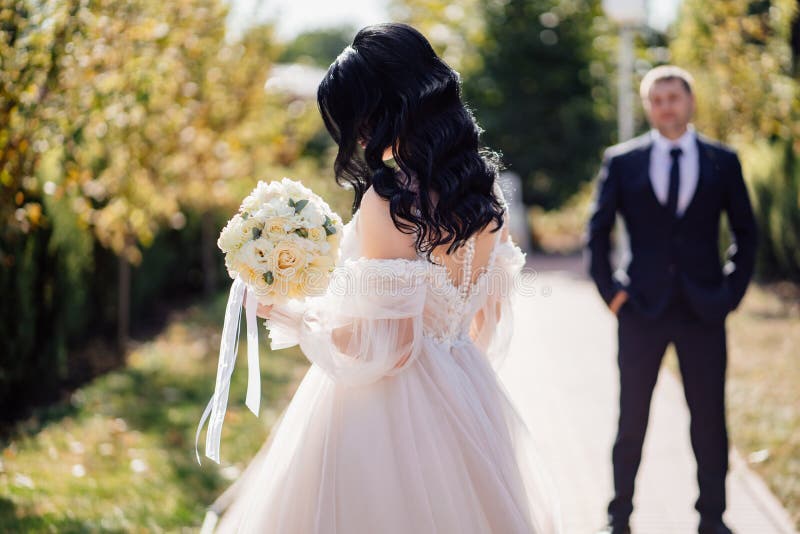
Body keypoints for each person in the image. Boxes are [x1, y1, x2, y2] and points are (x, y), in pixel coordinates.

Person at [199, 22, 562, 533]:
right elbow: (487, 315)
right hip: (466, 389)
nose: (358, 135)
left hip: (386, 412)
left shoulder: (390, 202)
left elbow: (391, 343)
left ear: (386, 108)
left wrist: (295, 316)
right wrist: (458, 388)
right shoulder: (486, 192)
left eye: (357, 117)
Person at [586, 65, 758, 534]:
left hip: (704, 310)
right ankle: (618, 516)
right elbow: (597, 232)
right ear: (648, 107)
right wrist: (611, 294)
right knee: (631, 419)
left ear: (690, 101)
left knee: (709, 421)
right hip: (640, 309)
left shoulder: (723, 160)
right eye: (656, 99)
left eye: (673, 97)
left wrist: (730, 294)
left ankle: (713, 518)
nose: (666, 106)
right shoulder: (622, 161)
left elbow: (746, 233)